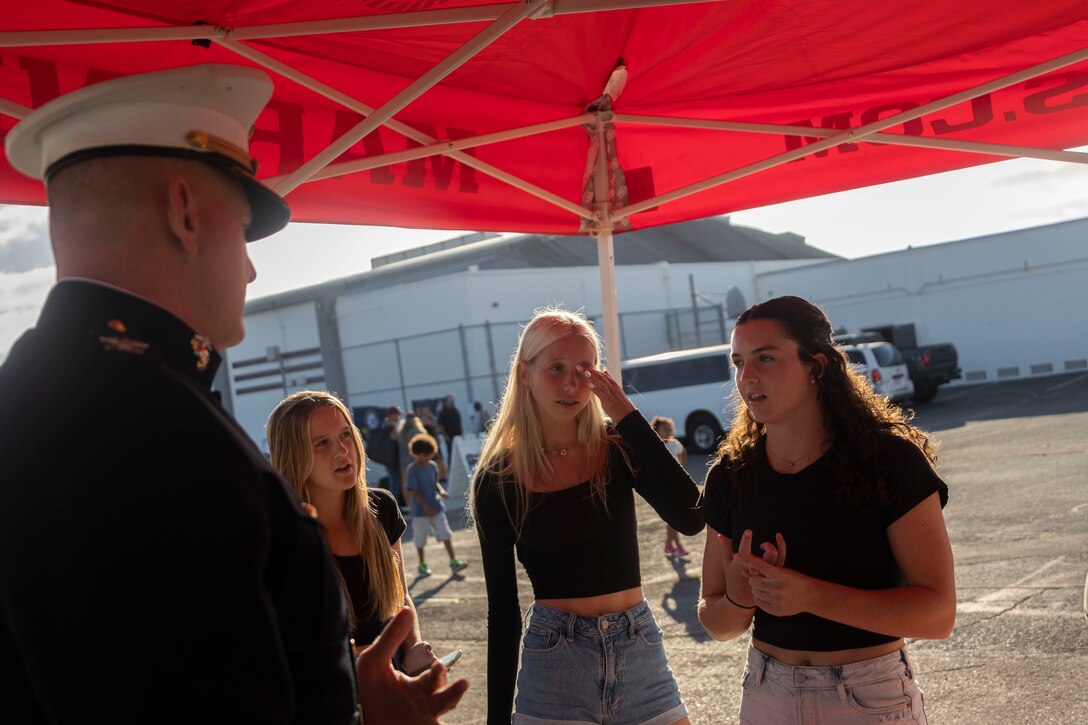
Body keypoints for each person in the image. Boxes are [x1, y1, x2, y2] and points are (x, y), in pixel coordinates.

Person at [0, 64, 465, 723]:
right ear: (184, 213)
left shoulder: (33, 387)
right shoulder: (158, 433)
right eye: (242, 230)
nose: (249, 267)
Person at [696, 295, 955, 724]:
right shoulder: (730, 474)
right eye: (738, 362)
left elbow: (938, 615)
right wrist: (740, 600)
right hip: (765, 695)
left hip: (868, 697)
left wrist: (809, 596)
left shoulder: (889, 461)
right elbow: (718, 623)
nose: (747, 376)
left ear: (816, 367)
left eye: (765, 358)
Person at [470, 307, 705, 725]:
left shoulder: (618, 447)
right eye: (556, 368)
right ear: (525, 374)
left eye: (585, 368)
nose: (572, 383)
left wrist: (628, 416)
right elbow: (503, 613)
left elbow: (691, 516)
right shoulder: (499, 479)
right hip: (554, 660)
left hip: (639, 648)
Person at [266, 390, 437, 675]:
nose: (342, 451)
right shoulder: (280, 536)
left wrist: (414, 649)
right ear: (293, 454)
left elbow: (401, 599)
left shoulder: (382, 507)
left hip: (393, 686)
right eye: (322, 442)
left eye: (346, 434)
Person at [405, 432, 468, 576]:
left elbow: (435, 483)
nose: (427, 458)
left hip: (436, 507)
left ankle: (453, 562)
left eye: (429, 455)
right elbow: (413, 490)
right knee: (420, 539)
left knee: (445, 533)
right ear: (416, 454)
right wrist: (426, 507)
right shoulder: (412, 469)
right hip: (420, 512)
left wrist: (441, 491)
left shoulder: (432, 466)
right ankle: (422, 565)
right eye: (424, 455)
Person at [652, 415, 691, 558]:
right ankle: (677, 545)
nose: (668, 431)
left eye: (670, 428)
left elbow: (682, 457)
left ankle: (670, 544)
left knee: (673, 518)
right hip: (664, 487)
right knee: (673, 518)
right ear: (656, 430)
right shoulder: (656, 446)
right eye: (664, 429)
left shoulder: (675, 444)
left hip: (677, 484)